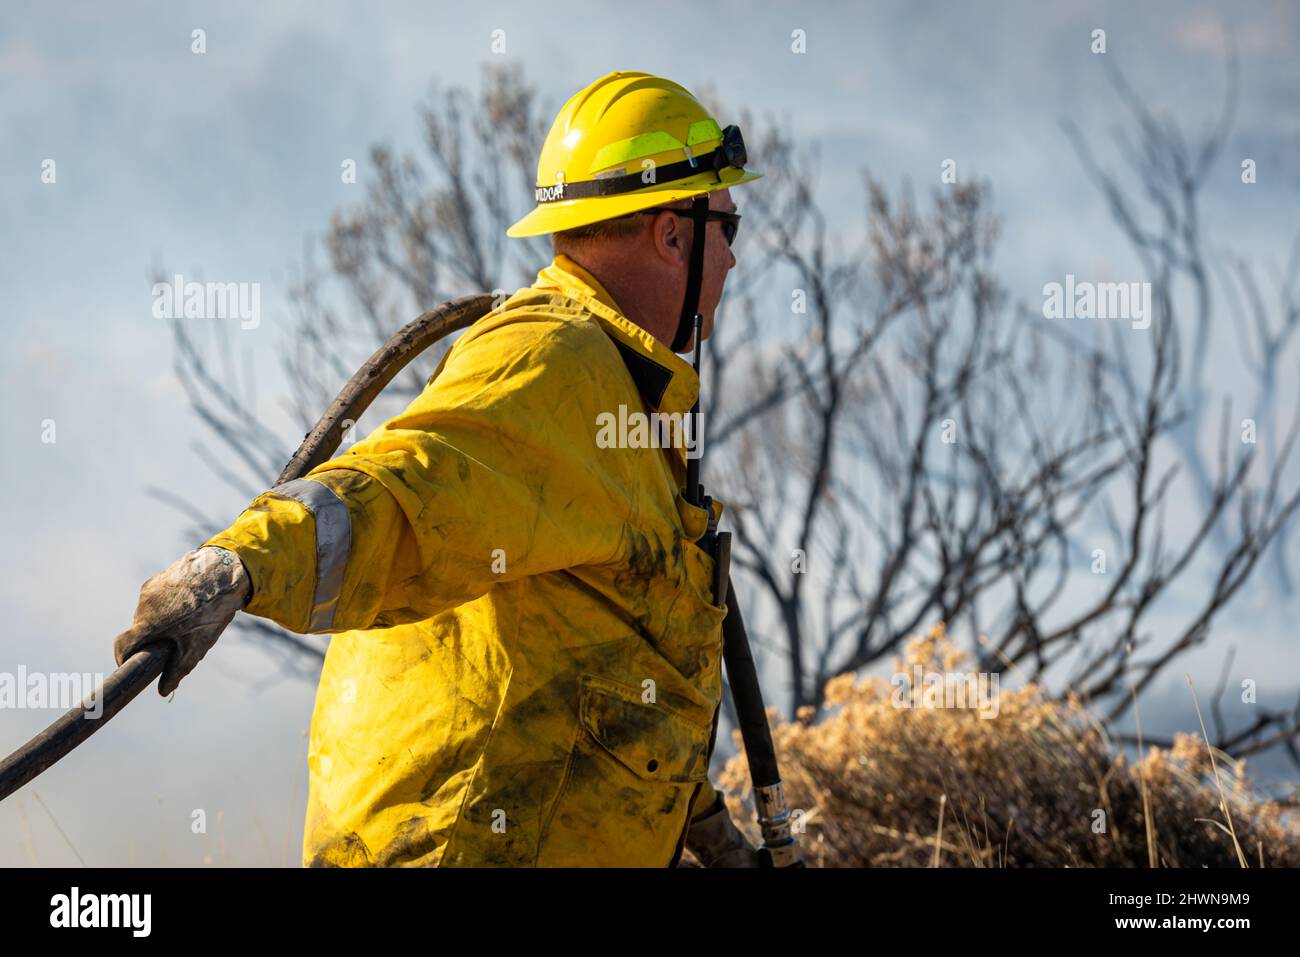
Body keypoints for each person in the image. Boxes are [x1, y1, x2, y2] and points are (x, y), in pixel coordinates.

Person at [114, 70, 762, 867]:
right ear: (672, 233)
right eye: (728, 226)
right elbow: (408, 485)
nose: (732, 258)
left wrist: (710, 833)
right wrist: (238, 564)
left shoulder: (622, 399)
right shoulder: (555, 361)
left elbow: (618, 671)